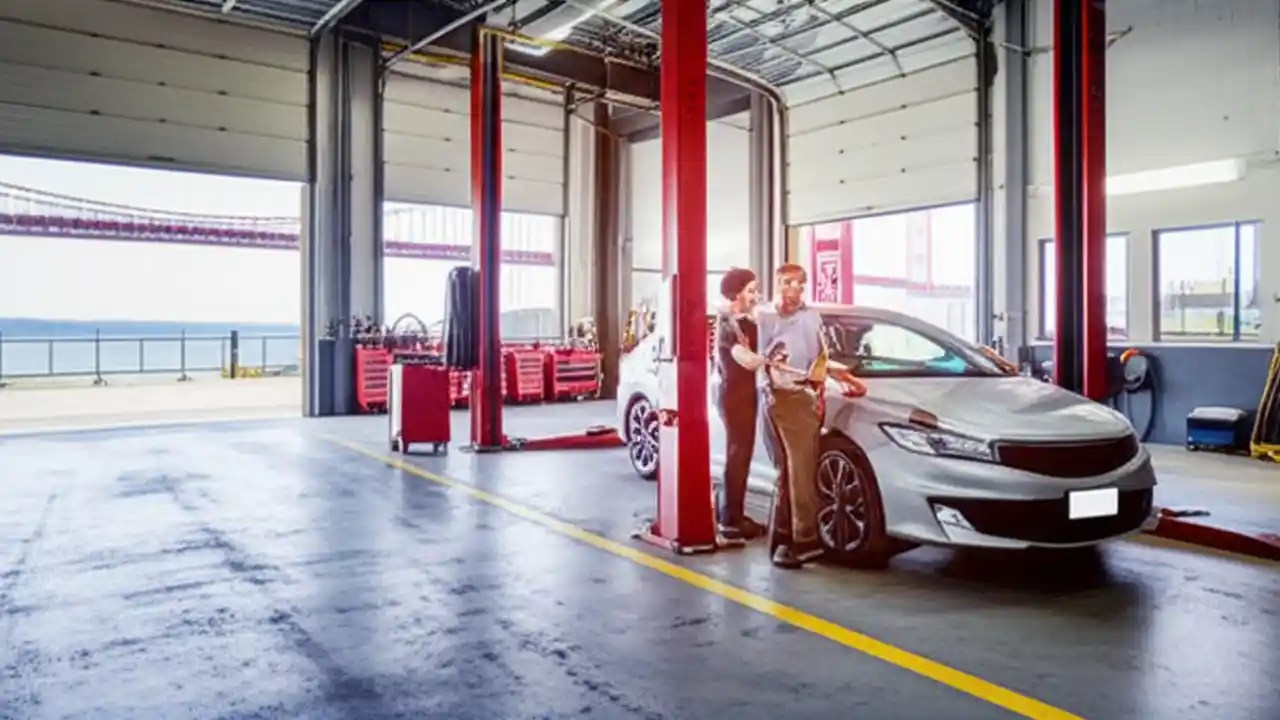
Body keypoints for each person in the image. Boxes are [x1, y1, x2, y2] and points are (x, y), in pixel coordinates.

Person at [733, 263, 830, 568]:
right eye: (788, 282)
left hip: (803, 396)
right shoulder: (762, 317)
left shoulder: (812, 318)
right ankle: (799, 541)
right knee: (793, 471)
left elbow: (823, 359)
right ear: (777, 285)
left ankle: (787, 543)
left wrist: (822, 386)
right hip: (775, 396)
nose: (795, 289)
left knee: (793, 473)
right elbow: (740, 347)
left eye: (801, 283)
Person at [712, 268, 765, 542]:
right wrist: (770, 358)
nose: (756, 296)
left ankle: (729, 514)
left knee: (738, 454)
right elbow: (745, 359)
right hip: (736, 395)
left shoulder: (738, 321)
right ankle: (732, 520)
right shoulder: (732, 324)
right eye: (751, 290)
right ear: (736, 293)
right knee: (739, 455)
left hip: (737, 392)